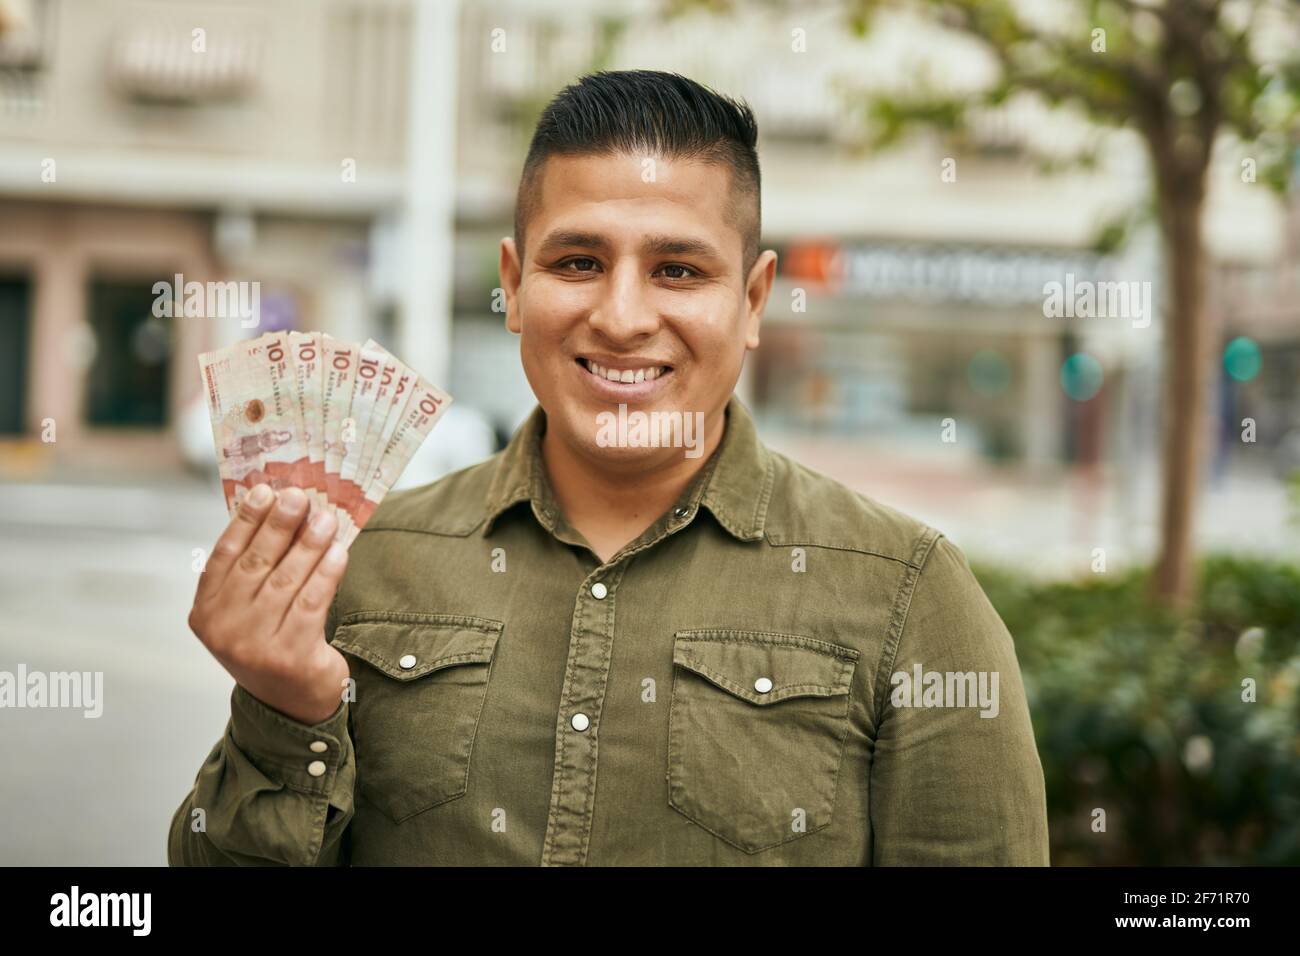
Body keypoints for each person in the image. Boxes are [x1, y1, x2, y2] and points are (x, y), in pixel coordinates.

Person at [170, 69, 1049, 866]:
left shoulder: (906, 594)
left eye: (677, 270)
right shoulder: (361, 566)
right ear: (513, 286)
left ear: (751, 301)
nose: (623, 316)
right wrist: (288, 711)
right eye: (578, 262)